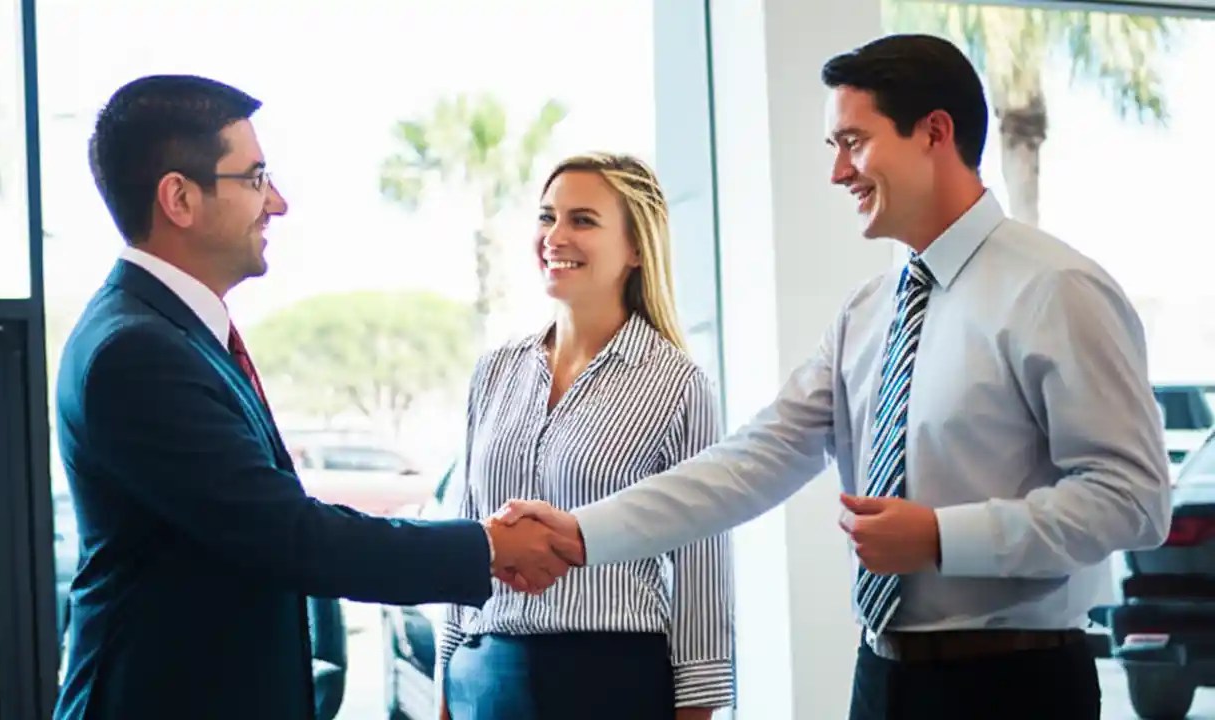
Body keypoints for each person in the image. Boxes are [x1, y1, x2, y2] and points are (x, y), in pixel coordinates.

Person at [494, 34, 1171, 720]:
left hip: (1017, 686)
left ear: (934, 132)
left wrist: (940, 537)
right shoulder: (867, 312)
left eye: (853, 142)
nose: (838, 172)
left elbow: (1134, 500)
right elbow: (751, 461)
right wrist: (580, 534)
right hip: (880, 678)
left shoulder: (1058, 289)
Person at [52, 74, 579, 720]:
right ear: (179, 198)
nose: (277, 203)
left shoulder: (168, 334)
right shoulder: (134, 353)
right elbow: (292, 536)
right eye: (254, 178)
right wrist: (489, 547)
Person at [436, 153, 734, 720]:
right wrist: (446, 685)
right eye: (547, 217)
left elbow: (702, 572)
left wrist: (696, 709)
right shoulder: (495, 371)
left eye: (582, 220)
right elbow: (468, 535)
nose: (555, 236)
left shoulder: (679, 386)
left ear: (637, 249)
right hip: (485, 678)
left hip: (609, 681)